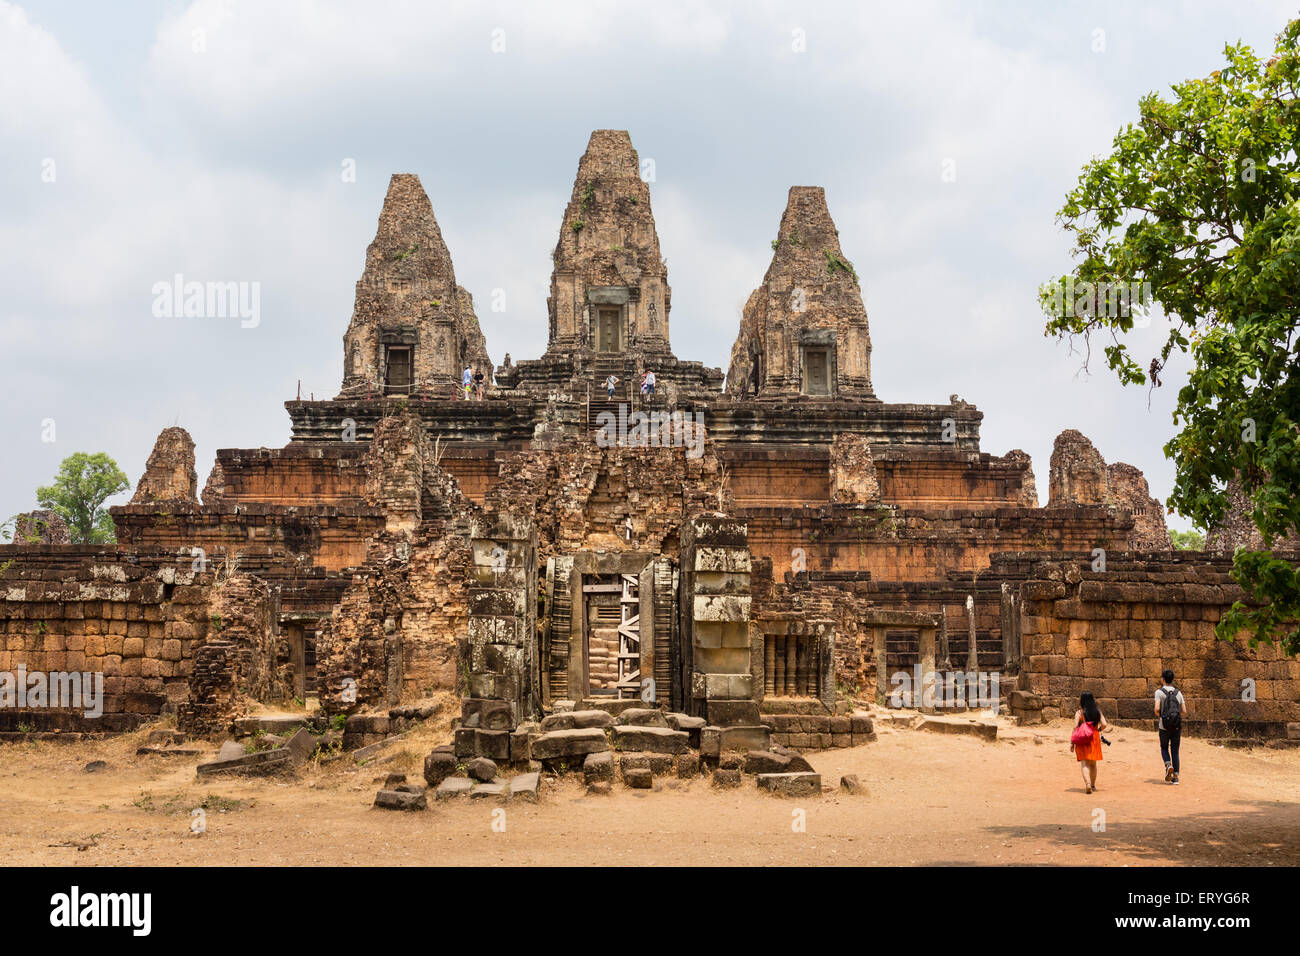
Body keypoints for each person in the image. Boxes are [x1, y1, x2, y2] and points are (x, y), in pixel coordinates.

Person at [1072, 691, 1110, 794]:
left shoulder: (1079, 713)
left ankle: (1087, 784)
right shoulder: (1097, 711)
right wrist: (1098, 730)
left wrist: (1072, 742)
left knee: (1085, 763)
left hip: (1083, 739)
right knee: (1093, 764)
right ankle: (1093, 785)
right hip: (1094, 738)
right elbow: (1104, 724)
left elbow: (1075, 727)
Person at [1154, 668, 1186, 785]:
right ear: (1172, 679)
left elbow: (1157, 709)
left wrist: (1162, 716)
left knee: (1164, 747)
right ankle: (1176, 777)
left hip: (1164, 726)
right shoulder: (1178, 693)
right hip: (1177, 726)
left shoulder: (1159, 692)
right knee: (1175, 751)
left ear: (1162, 679)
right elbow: (1184, 710)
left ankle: (1168, 764)